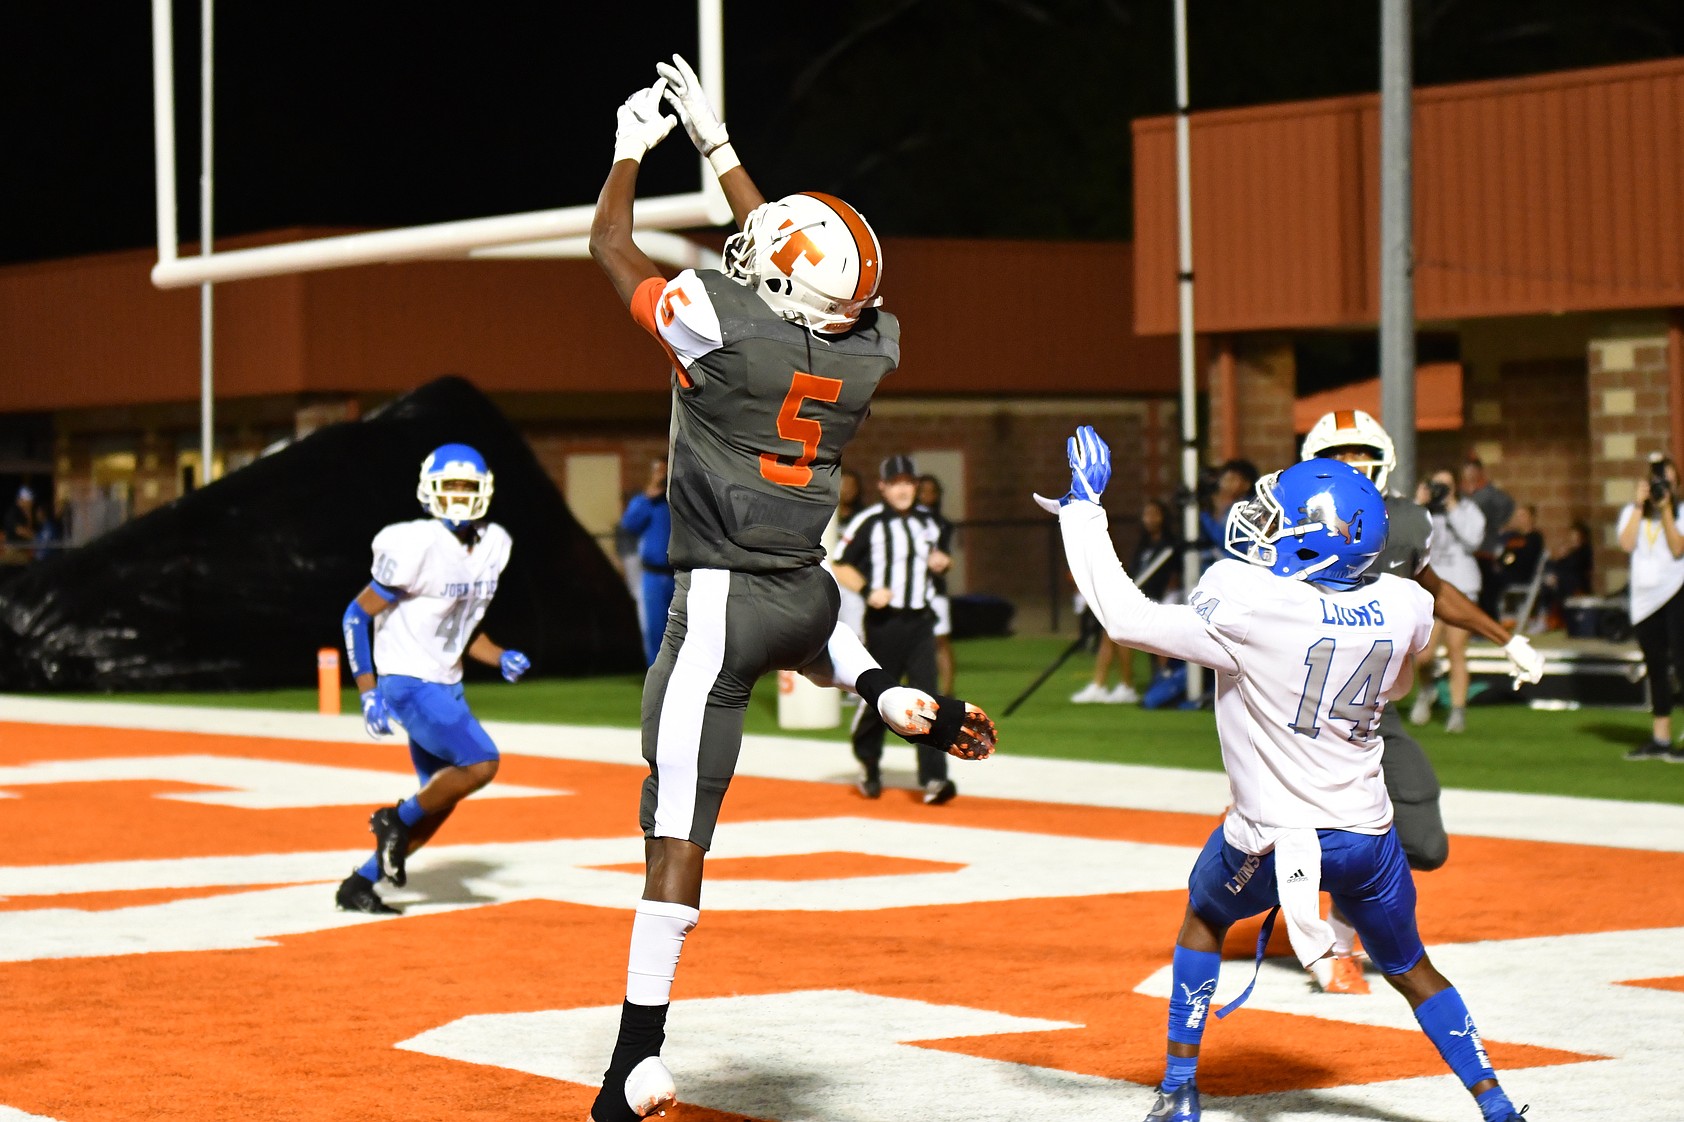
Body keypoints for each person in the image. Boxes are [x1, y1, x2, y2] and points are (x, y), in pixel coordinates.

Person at [585, 57, 997, 1122]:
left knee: (676, 839)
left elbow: (611, 246)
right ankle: (889, 693)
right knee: (825, 649)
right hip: (808, 597)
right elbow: (799, 277)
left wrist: (631, 150)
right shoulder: (868, 350)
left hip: (720, 607)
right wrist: (720, 149)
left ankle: (630, 1064)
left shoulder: (715, 324)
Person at [1037, 430, 1531, 1122]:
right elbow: (1398, 673)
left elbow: (1126, 618)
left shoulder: (1248, 601)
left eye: (1280, 518)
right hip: (1367, 833)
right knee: (1411, 967)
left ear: (1319, 541)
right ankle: (1496, 1103)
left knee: (1205, 918)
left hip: (1277, 833)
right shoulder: (1404, 602)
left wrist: (1084, 513)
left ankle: (1179, 1088)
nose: (1263, 524)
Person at [1299, 409, 1541, 993]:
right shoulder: (1291, 523)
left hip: (1371, 711)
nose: (1352, 464)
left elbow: (1434, 586)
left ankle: (1329, 909)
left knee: (1424, 842)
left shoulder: (1405, 522)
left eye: (1361, 453)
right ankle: (1331, 945)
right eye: (1338, 455)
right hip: (1299, 716)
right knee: (1286, 839)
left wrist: (1505, 638)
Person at [334, 444, 531, 915]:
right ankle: (392, 819)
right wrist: (368, 692)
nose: (459, 496)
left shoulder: (494, 544)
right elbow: (356, 615)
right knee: (481, 763)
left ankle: (359, 884)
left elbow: (463, 628)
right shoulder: (415, 543)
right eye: (450, 487)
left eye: (467, 487)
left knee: (440, 798)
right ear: (430, 491)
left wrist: (499, 656)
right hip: (407, 682)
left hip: (445, 683)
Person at [834, 456, 957, 803]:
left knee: (927, 700)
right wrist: (868, 591)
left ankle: (934, 778)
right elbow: (840, 564)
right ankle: (868, 761)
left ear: (915, 486)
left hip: (920, 621)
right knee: (880, 696)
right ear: (883, 487)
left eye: (908, 483)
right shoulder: (870, 521)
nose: (902, 490)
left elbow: (940, 559)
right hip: (884, 623)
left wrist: (943, 563)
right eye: (895, 483)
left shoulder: (929, 521)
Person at [1072, 497, 1179, 704]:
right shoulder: (1144, 546)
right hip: (1139, 597)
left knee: (1119, 628)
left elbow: (1172, 579)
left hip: (1158, 601)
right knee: (1111, 630)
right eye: (1146, 515)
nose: (1149, 519)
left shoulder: (1170, 546)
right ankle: (1104, 684)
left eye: (1154, 514)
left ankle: (1124, 685)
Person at [1618, 453, 1684, 762]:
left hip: (1675, 592)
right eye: (1658, 482)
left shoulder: (1681, 512)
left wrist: (1666, 509)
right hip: (1645, 600)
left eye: (1669, 483)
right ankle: (1661, 738)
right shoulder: (1634, 512)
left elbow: (1677, 547)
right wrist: (1638, 505)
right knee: (1656, 666)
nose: (1663, 488)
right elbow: (1626, 543)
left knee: (1682, 664)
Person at [1411, 467, 1487, 732]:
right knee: (1423, 655)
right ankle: (1427, 690)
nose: (1441, 490)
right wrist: (1418, 504)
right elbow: (1405, 539)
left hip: (1462, 588)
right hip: (1431, 589)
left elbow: (1473, 541)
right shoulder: (1424, 513)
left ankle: (1457, 710)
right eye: (1436, 485)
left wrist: (1451, 506)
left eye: (1446, 485)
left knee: (1456, 649)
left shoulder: (1467, 510)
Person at [620, 456, 675, 666]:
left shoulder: (680, 499)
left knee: (684, 629)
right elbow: (629, 524)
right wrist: (650, 492)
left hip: (680, 574)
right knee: (654, 629)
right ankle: (657, 674)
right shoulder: (647, 502)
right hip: (653, 575)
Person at [916, 472, 957, 694]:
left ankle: (947, 691)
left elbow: (945, 558)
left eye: (931, 492)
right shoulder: (902, 519)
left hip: (934, 589)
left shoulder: (942, 524)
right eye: (922, 491)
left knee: (940, 640)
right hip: (908, 590)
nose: (926, 496)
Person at [1461, 458, 1515, 618]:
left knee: (1488, 591)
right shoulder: (1461, 492)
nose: (1470, 473)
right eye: (1467, 470)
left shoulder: (1489, 491)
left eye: (1473, 470)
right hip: (1466, 550)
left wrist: (1495, 524)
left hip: (1485, 548)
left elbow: (1508, 505)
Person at [1494, 504, 1545, 622]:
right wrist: (1505, 562)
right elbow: (1507, 556)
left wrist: (1510, 559)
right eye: (1518, 516)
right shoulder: (1515, 537)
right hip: (1509, 572)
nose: (1519, 519)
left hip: (1523, 575)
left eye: (1523, 515)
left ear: (1531, 518)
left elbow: (1525, 558)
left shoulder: (1534, 538)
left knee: (1492, 581)